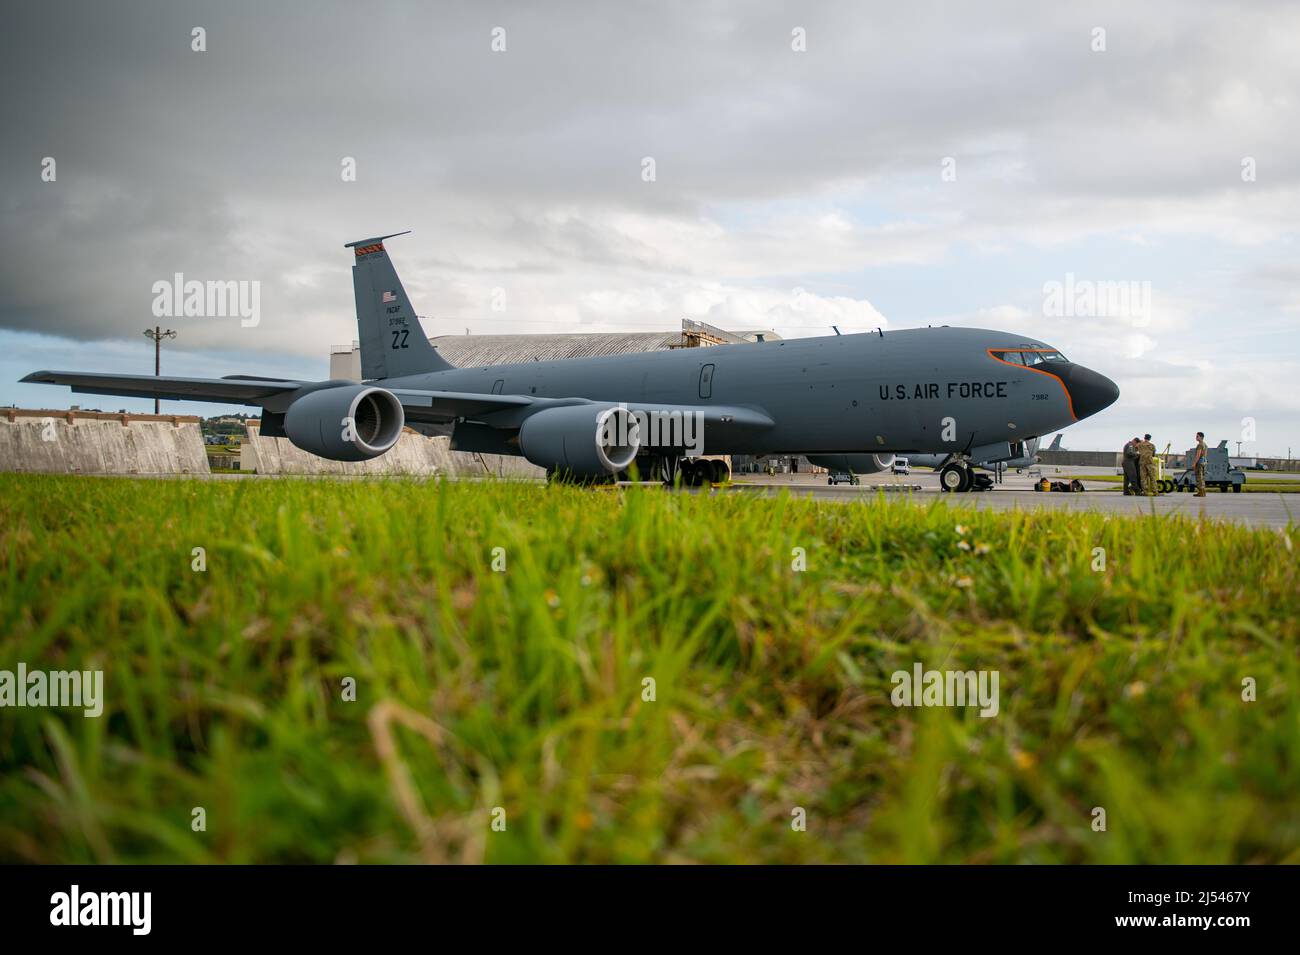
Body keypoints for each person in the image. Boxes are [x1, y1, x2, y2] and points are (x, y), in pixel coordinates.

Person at [1193, 431, 1208, 497]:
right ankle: (1202, 492)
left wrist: (1194, 463)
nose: (1196, 437)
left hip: (1199, 463)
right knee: (1202, 478)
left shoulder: (1200, 445)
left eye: (1197, 436)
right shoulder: (1205, 444)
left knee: (1199, 477)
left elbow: (1198, 455)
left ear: (1201, 437)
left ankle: (1201, 492)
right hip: (1204, 462)